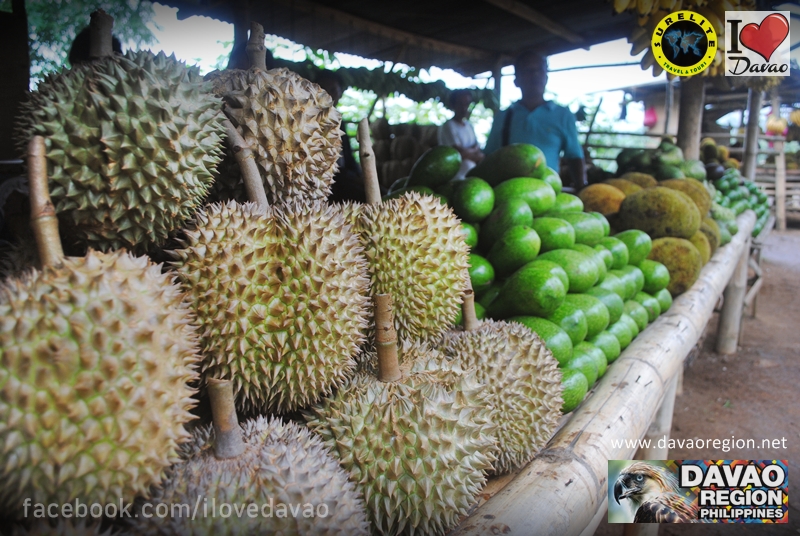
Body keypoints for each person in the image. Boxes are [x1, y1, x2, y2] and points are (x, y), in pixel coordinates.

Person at [484, 50, 587, 191]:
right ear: (516, 80)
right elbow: (490, 158)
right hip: (508, 194)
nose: (535, 75)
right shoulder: (503, 117)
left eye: (540, 70)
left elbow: (574, 156)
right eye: (528, 70)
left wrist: (582, 188)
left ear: (546, 76)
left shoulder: (562, 115)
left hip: (548, 195)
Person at [316, 70, 367, 203]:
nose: (328, 94)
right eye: (324, 89)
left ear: (340, 93)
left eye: (333, 90)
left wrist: (358, 174)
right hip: (322, 180)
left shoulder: (338, 120)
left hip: (343, 177)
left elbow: (347, 155)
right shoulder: (309, 120)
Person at [438, 89, 484, 180]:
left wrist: (470, 152)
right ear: (453, 105)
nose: (464, 108)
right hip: (455, 175)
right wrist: (475, 152)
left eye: (467, 104)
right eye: (460, 104)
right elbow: (458, 153)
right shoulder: (448, 126)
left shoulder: (469, 125)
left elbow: (477, 147)